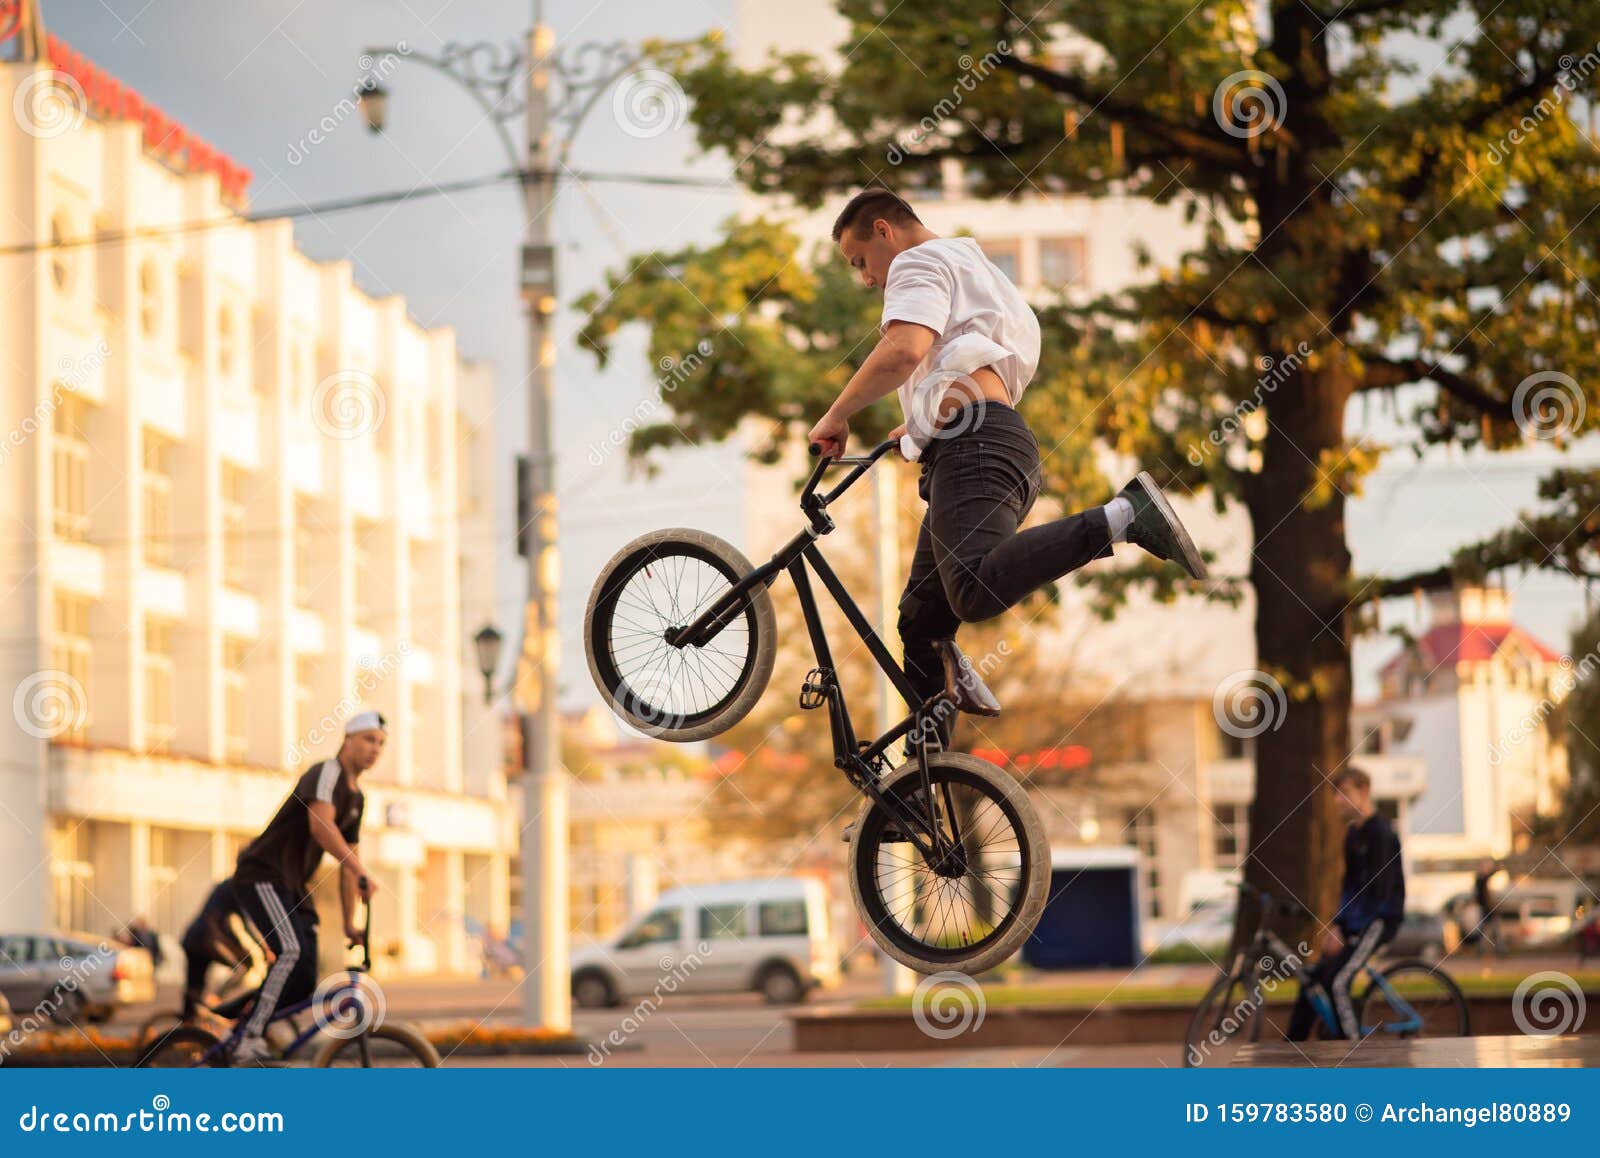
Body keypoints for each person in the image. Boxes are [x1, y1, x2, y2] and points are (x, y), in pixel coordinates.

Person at [807, 189, 1206, 748]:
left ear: (883, 231)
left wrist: (837, 414)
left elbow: (904, 350)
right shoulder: (976, 268)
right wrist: (918, 427)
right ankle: (927, 774)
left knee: (971, 588)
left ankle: (1124, 517)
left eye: (860, 262)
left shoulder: (917, 262)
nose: (867, 279)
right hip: (991, 444)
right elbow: (974, 364)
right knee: (922, 621)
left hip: (975, 448)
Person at [229, 711, 385, 1063]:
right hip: (262, 873)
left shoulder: (357, 799)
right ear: (348, 740)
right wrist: (358, 867)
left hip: (293, 885)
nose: (374, 749)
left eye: (380, 743)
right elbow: (320, 825)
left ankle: (248, 1018)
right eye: (368, 739)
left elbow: (348, 865)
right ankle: (248, 1038)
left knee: (304, 977)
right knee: (289, 950)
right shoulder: (326, 772)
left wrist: (350, 922)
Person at [1287, 765, 1405, 1041]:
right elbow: (1350, 888)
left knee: (1338, 982)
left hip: (1379, 921)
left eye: (1345, 792)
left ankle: (1351, 1051)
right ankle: (1292, 1047)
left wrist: (1350, 929)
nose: (1337, 800)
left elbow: (1379, 893)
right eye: (1335, 794)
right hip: (1356, 923)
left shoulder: (1381, 833)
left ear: (1364, 791)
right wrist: (1338, 926)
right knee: (1313, 979)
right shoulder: (1352, 836)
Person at [178, 878, 262, 1021]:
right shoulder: (235, 888)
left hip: (193, 940)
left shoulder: (226, 887)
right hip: (203, 942)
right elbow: (242, 923)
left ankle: (190, 1024)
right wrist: (261, 946)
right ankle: (214, 1002)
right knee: (243, 966)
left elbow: (235, 924)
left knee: (195, 988)